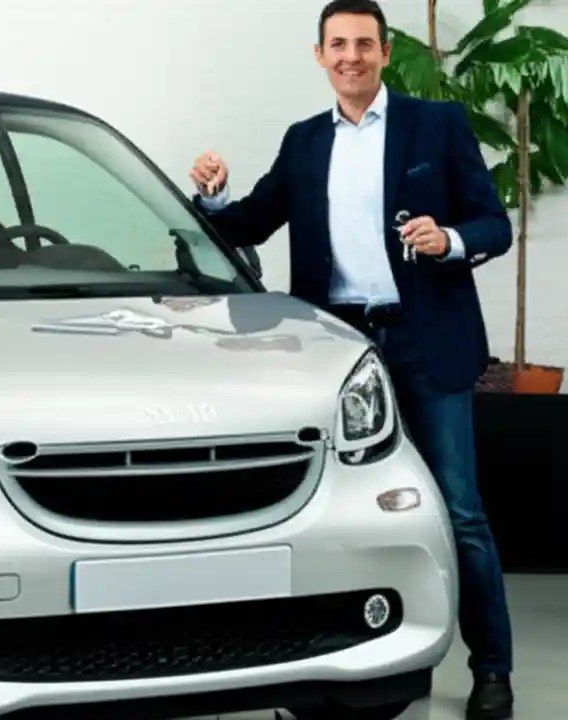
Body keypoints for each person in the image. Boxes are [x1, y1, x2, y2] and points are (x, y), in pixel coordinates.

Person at [188, 1, 515, 718]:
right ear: (319, 56)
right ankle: (329, 665)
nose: (351, 57)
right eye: (338, 45)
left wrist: (450, 240)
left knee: (459, 512)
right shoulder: (305, 142)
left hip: (427, 344)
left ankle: (492, 668)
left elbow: (495, 223)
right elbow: (250, 222)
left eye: (364, 44)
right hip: (337, 357)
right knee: (329, 516)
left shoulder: (438, 125)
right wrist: (208, 199)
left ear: (386, 52)